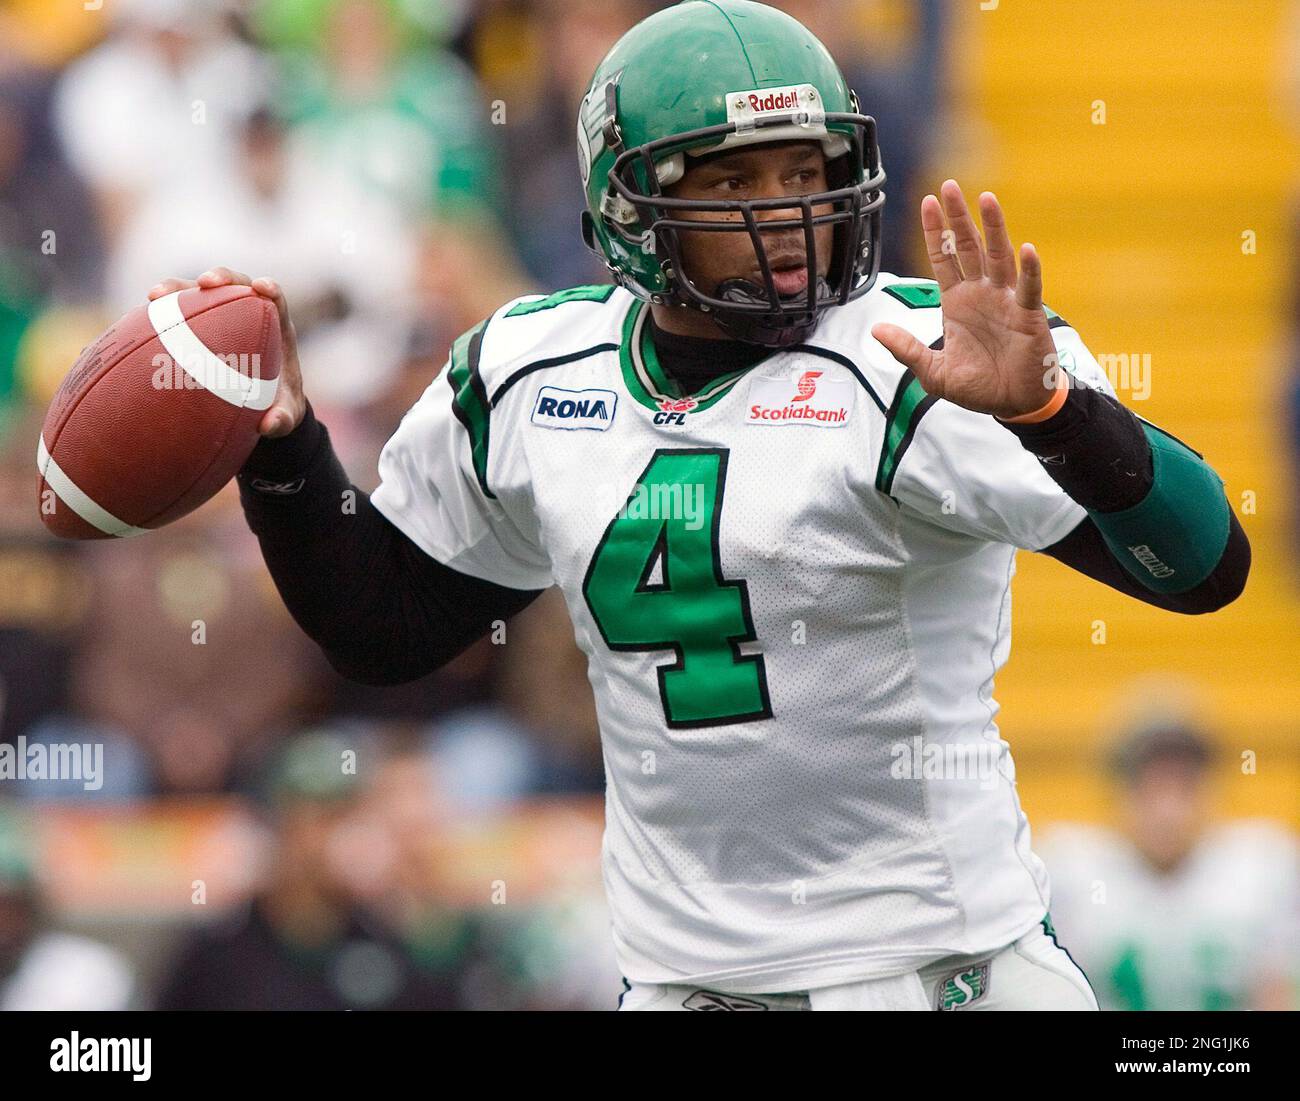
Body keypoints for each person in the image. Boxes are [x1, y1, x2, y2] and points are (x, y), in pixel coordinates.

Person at [147, 0, 1249, 1010]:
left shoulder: (921, 357)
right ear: (632, 207)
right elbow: (382, 629)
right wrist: (286, 451)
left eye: (803, 168)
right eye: (732, 185)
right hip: (686, 983)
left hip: (933, 971)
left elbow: (1204, 569)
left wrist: (1056, 412)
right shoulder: (535, 371)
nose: (789, 215)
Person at [1039, 722, 1298, 1011]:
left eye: (1183, 787)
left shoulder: (1262, 865)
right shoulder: (1070, 870)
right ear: (1122, 791)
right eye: (1153, 787)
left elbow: (1276, 992)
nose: (1168, 810)